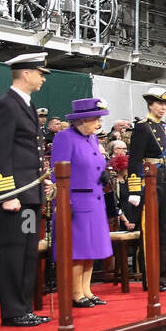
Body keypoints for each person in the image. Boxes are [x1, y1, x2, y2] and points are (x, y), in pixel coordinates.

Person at [0, 52, 52, 327]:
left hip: (29, 193)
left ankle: (23, 308)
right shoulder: (7, 105)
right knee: (13, 252)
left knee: (27, 251)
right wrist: (7, 193)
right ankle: (14, 310)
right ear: (25, 73)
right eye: (40, 72)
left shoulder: (25, 103)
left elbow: (28, 151)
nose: (43, 77)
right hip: (16, 197)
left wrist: (41, 180)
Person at [50, 98, 114, 308]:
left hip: (95, 201)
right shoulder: (64, 138)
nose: (99, 124)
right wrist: (63, 201)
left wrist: (103, 174)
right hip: (76, 201)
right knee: (78, 251)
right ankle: (75, 292)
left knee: (92, 250)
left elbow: (93, 165)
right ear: (82, 119)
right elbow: (56, 172)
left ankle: (87, 289)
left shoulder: (93, 139)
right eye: (95, 119)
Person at [128, 89, 166, 289]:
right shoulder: (142, 127)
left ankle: (164, 275)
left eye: (165, 104)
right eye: (159, 104)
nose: (163, 108)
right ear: (150, 105)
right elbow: (134, 160)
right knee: (151, 232)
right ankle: (152, 277)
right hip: (149, 183)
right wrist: (134, 189)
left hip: (164, 181)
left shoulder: (163, 127)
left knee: (165, 230)